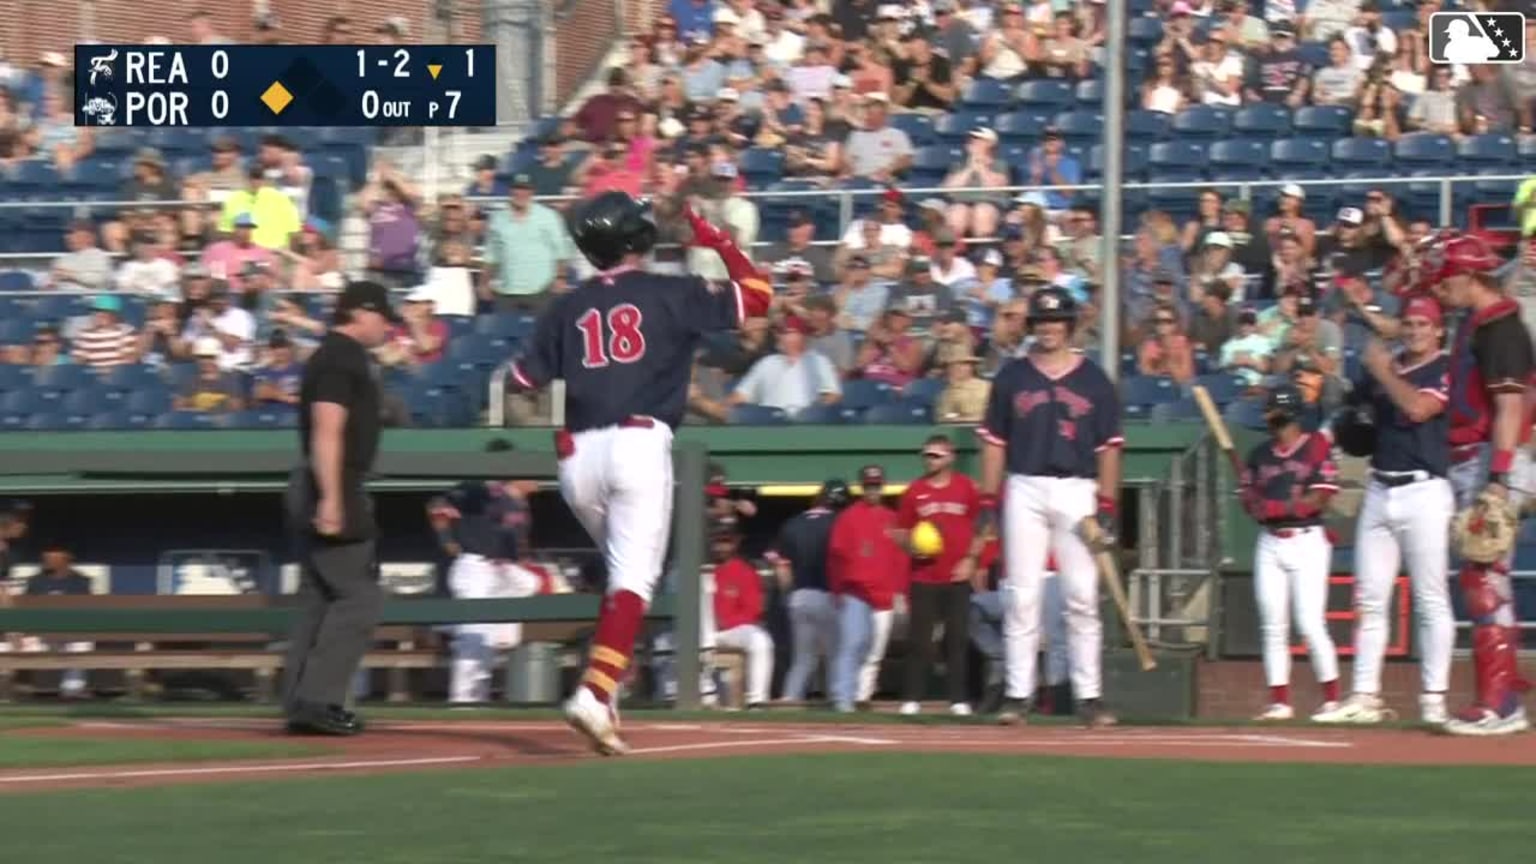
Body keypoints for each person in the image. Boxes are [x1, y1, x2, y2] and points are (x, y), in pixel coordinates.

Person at [502, 191, 772, 755]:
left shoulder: (565, 305)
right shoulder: (670, 291)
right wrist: (718, 240)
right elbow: (759, 297)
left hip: (577, 456)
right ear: (633, 238)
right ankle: (595, 694)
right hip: (638, 443)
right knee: (634, 582)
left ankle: (607, 697)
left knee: (622, 574)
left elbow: (520, 384)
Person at [977, 286, 1121, 727]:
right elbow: (994, 443)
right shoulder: (1012, 377)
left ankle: (1089, 695)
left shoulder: (1095, 380)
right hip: (1024, 485)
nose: (1049, 329)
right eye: (1042, 321)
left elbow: (1110, 447)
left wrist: (1108, 502)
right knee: (1022, 594)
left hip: (1078, 489)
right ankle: (1018, 694)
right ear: (1032, 326)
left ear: (1070, 325)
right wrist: (988, 498)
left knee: (1081, 596)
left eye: (1057, 321)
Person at [1314, 296, 1454, 725]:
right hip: (1381, 484)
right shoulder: (1385, 368)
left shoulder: (1444, 368)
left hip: (1425, 488)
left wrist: (1382, 371)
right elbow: (1353, 416)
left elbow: (1418, 407)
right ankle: (1365, 694)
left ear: (1438, 331)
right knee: (1370, 599)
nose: (1414, 331)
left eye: (1422, 324)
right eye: (1409, 323)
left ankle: (1433, 698)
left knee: (1431, 598)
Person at [281, 280, 400, 737]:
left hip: (316, 481)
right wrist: (332, 498)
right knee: (359, 596)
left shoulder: (334, 354)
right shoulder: (341, 357)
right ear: (361, 314)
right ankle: (319, 700)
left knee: (320, 597)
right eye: (382, 316)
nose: (386, 325)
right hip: (333, 481)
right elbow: (326, 429)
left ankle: (300, 701)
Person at [1427, 234, 1535, 736]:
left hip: (1496, 460)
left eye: (1447, 277)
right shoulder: (1480, 323)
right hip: (1479, 458)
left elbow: (1511, 406)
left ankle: (1499, 704)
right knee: (1485, 578)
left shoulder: (1500, 328)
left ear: (1470, 276)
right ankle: (1502, 696)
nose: (1440, 287)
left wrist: (1498, 478)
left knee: (1484, 577)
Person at [1239, 384, 1343, 722]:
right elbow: (1250, 502)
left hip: (1307, 539)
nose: (1270, 418)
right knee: (1273, 626)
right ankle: (1280, 701)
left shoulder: (1315, 447)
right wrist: (1253, 500)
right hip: (1270, 542)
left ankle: (1331, 698)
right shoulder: (1258, 455)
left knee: (1310, 623)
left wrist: (1279, 506)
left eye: (1273, 412)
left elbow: (1320, 497)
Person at [429, 474, 543, 705]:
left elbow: (517, 541)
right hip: (475, 565)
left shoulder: (520, 504)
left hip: (501, 569)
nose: (537, 480)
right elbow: (437, 506)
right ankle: (463, 702)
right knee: (474, 640)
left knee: (530, 584)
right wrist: (445, 539)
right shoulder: (484, 491)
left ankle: (453, 623)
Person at [894, 435, 981, 716]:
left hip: (957, 576)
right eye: (927, 455)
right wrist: (912, 547)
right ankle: (911, 698)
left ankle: (958, 699)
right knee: (920, 639)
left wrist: (971, 560)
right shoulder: (915, 491)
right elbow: (900, 531)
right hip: (924, 576)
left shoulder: (967, 487)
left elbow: (984, 528)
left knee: (957, 639)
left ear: (950, 457)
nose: (931, 460)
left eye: (937, 456)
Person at [828, 465, 907, 712]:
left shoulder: (892, 519)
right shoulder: (848, 517)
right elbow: (835, 556)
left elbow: (902, 558)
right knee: (852, 645)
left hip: (884, 595)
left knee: (875, 651)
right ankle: (843, 699)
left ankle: (863, 696)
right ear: (862, 487)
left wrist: (901, 591)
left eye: (877, 485)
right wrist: (837, 589)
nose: (873, 489)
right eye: (869, 485)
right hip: (856, 592)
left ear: (883, 486)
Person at [768, 478, 848, 704]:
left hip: (799, 596)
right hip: (829, 595)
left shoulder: (792, 523)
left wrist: (788, 596)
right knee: (835, 656)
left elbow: (781, 566)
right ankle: (839, 700)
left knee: (803, 658)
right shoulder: (839, 523)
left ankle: (790, 698)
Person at [708, 519, 774, 708]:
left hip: (728, 631)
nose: (721, 546)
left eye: (726, 541)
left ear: (736, 542)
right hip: (699, 633)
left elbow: (753, 611)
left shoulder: (744, 571)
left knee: (760, 640)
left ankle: (757, 700)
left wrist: (727, 622)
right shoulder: (695, 567)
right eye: (718, 541)